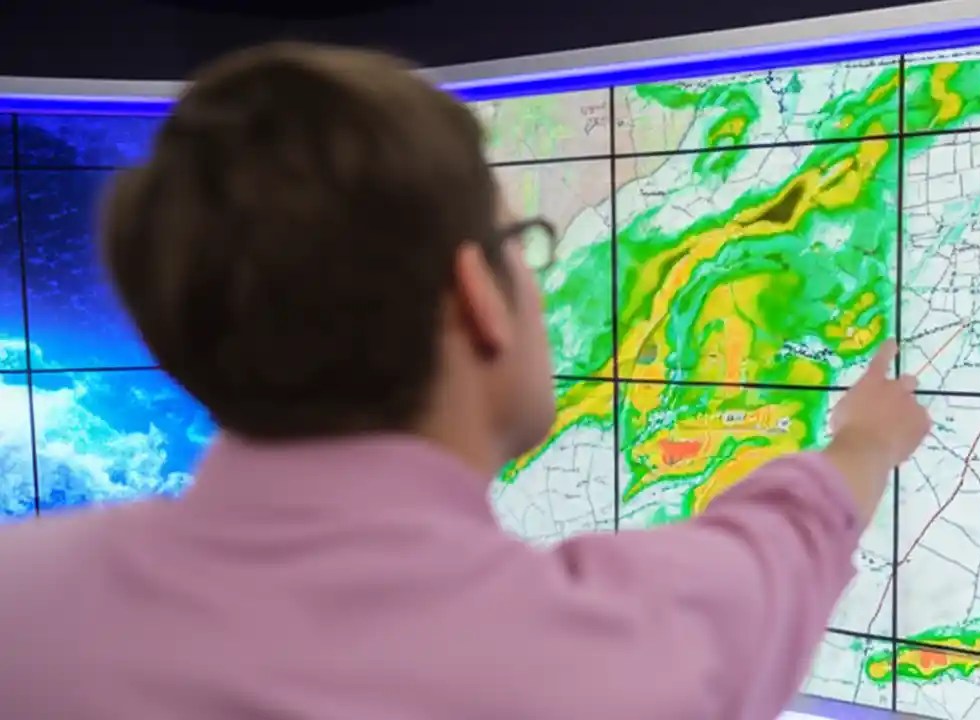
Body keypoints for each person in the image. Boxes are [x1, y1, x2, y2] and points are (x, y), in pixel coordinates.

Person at [0, 42, 929, 720]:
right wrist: (868, 439)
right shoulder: (600, 668)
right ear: (476, 294)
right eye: (520, 245)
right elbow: (769, 556)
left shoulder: (21, 604)